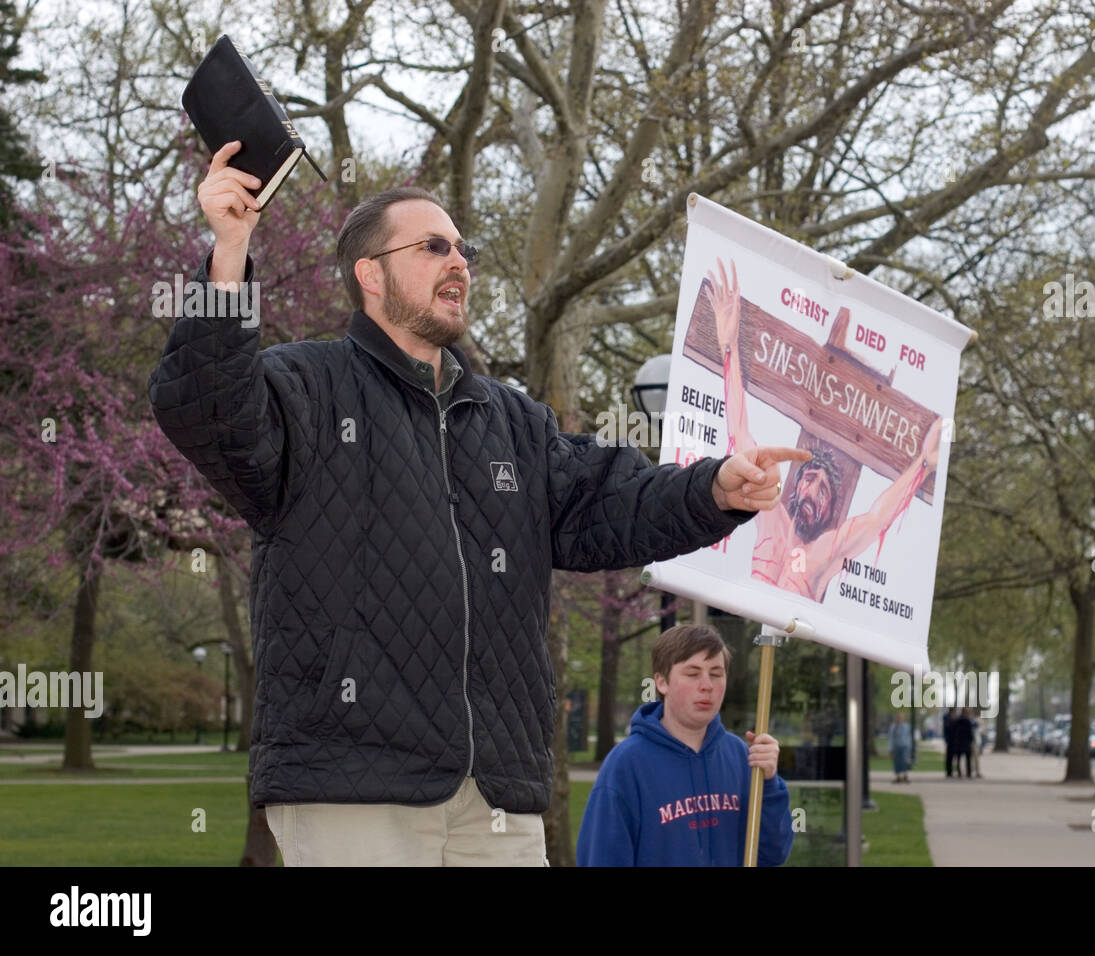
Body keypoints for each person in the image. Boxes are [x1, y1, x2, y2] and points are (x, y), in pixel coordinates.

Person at [148, 142, 811, 866]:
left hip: (497, 791)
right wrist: (230, 252)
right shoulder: (304, 387)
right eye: (433, 246)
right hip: (352, 782)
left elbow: (609, 504)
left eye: (463, 248)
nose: (458, 262)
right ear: (370, 273)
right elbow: (205, 408)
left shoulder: (512, 420)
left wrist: (714, 487)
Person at [704, 259, 942, 603]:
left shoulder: (827, 551)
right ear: (796, 483)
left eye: (823, 488)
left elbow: (876, 519)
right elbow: (741, 435)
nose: (812, 489)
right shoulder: (772, 520)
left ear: (832, 506)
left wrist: (922, 464)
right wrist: (729, 346)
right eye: (809, 478)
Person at [575, 624, 793, 866]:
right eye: (693, 673)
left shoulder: (742, 756)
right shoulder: (626, 764)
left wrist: (769, 783)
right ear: (661, 682)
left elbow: (772, 854)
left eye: (716, 673)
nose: (707, 685)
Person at [889, 711, 912, 783]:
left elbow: (909, 737)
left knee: (905, 761)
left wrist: (910, 747)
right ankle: (898, 777)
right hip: (896, 746)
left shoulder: (907, 727)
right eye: (899, 717)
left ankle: (905, 776)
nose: (900, 719)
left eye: (901, 717)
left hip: (905, 746)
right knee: (897, 762)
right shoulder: (893, 727)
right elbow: (891, 738)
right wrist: (890, 748)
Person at [952, 708, 974, 778]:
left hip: (959, 742)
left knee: (958, 758)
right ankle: (969, 773)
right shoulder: (968, 721)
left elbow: (954, 732)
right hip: (966, 743)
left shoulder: (957, 721)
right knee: (968, 759)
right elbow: (970, 732)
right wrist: (971, 740)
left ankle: (959, 772)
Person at [969, 713, 983, 778]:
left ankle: (974, 771)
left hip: (974, 741)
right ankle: (974, 771)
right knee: (974, 758)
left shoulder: (974, 722)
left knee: (974, 758)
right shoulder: (973, 722)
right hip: (972, 742)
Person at [943, 708, 956, 777]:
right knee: (949, 757)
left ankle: (950, 771)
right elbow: (946, 728)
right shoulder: (947, 718)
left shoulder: (951, 717)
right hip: (950, 739)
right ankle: (949, 771)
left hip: (952, 740)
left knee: (951, 757)